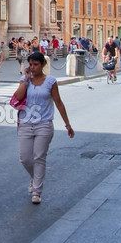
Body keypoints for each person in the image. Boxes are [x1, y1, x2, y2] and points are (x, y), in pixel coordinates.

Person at [14, 51, 74, 204]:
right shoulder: (24, 80)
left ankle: (37, 191)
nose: (32, 68)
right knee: (25, 158)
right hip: (25, 124)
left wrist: (67, 124)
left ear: (42, 65)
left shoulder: (50, 81)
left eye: (36, 65)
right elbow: (18, 97)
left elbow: (58, 102)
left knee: (39, 157)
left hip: (44, 124)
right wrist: (26, 79)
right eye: (31, 64)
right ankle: (35, 179)